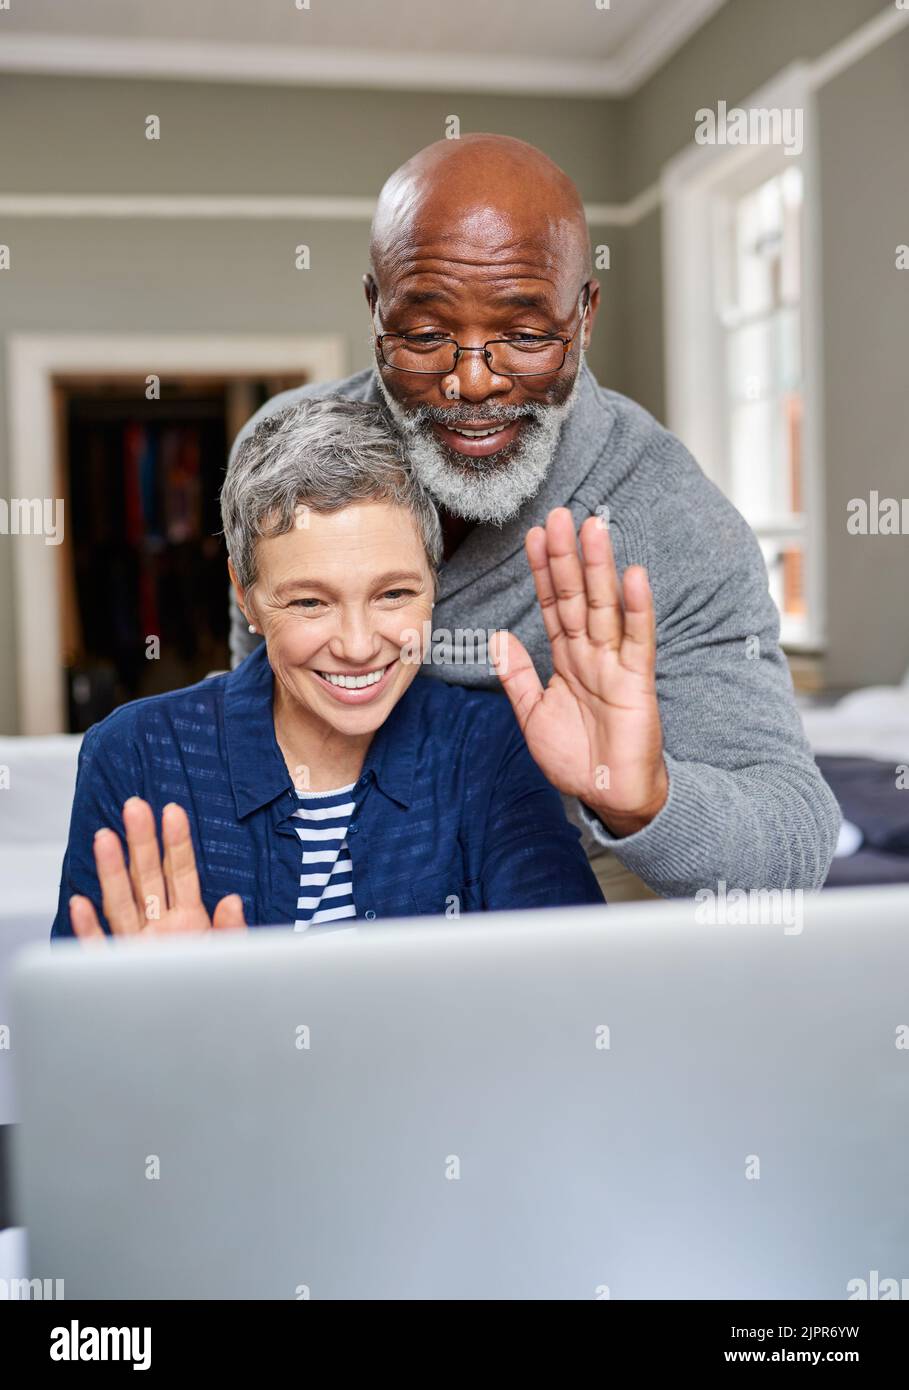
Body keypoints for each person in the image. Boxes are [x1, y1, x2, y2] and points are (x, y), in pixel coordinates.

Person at [229, 133, 840, 901]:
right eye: (423, 335)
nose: (474, 382)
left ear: (583, 316)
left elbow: (793, 843)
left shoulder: (669, 518)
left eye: (523, 335)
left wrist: (639, 796)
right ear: (373, 308)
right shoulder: (282, 459)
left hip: (579, 873)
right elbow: (255, 698)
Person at [52, 398, 606, 940]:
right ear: (245, 598)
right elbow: (74, 1023)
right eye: (310, 603)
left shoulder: (490, 744)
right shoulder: (135, 754)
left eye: (393, 593)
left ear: (434, 581)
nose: (359, 646)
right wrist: (174, 1010)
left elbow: (572, 994)